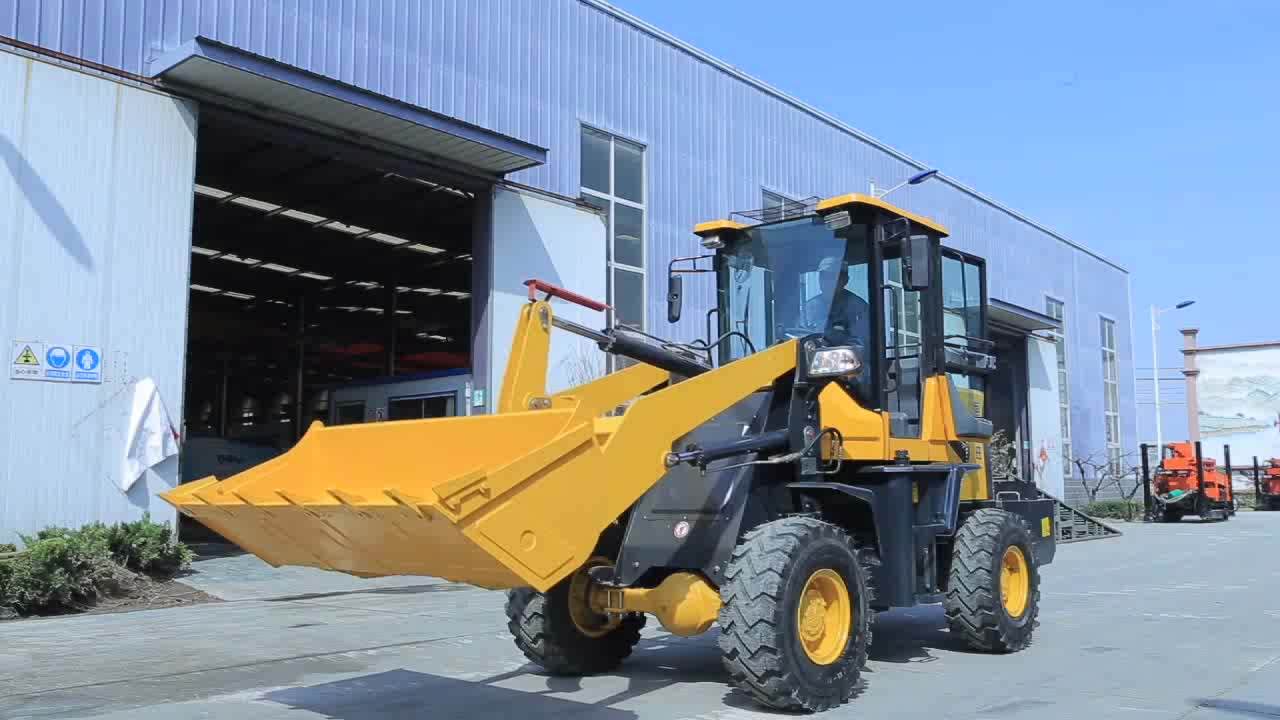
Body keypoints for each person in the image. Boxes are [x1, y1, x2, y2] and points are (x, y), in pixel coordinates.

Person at [800, 255, 870, 349]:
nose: (826, 281)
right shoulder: (809, 307)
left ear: (845, 280)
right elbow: (799, 334)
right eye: (823, 277)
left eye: (832, 277)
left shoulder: (859, 307)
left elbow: (862, 343)